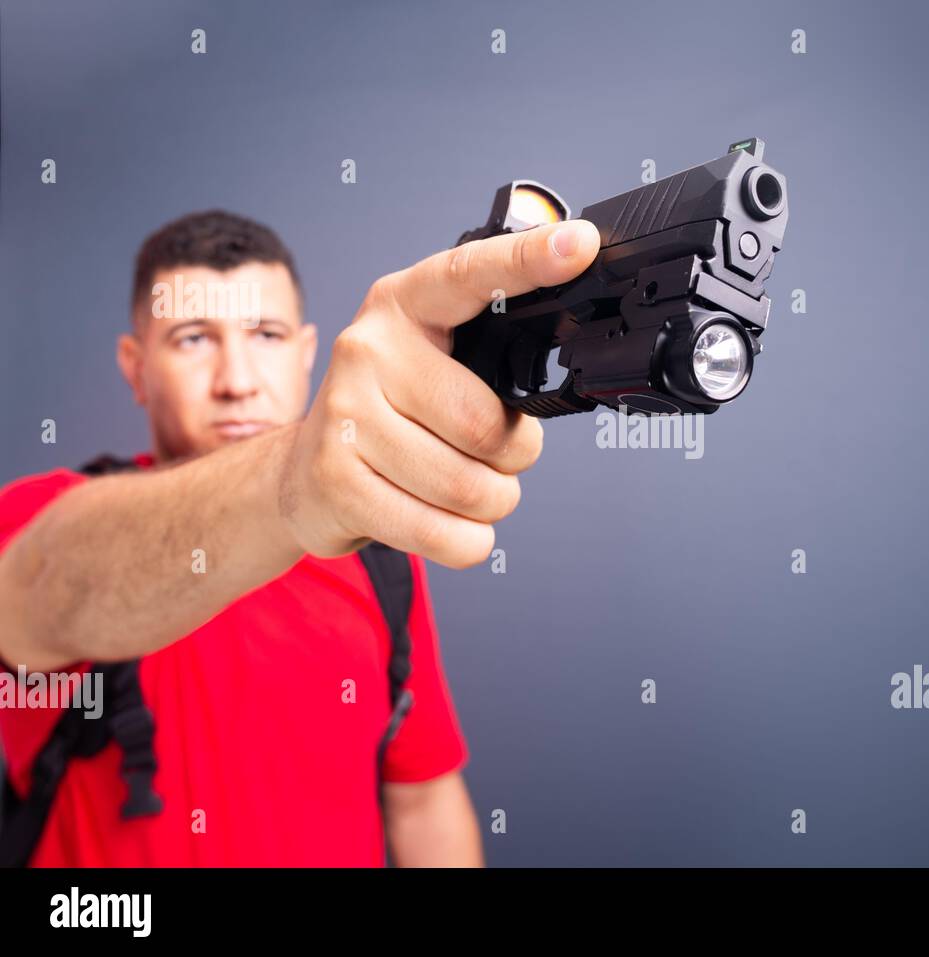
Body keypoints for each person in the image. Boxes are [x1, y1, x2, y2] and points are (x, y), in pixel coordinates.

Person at [0, 209, 601, 866]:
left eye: (266, 333)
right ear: (135, 367)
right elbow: (48, 581)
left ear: (309, 351)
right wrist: (293, 478)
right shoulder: (40, 519)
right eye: (194, 338)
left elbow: (423, 799)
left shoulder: (380, 552)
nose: (237, 380)